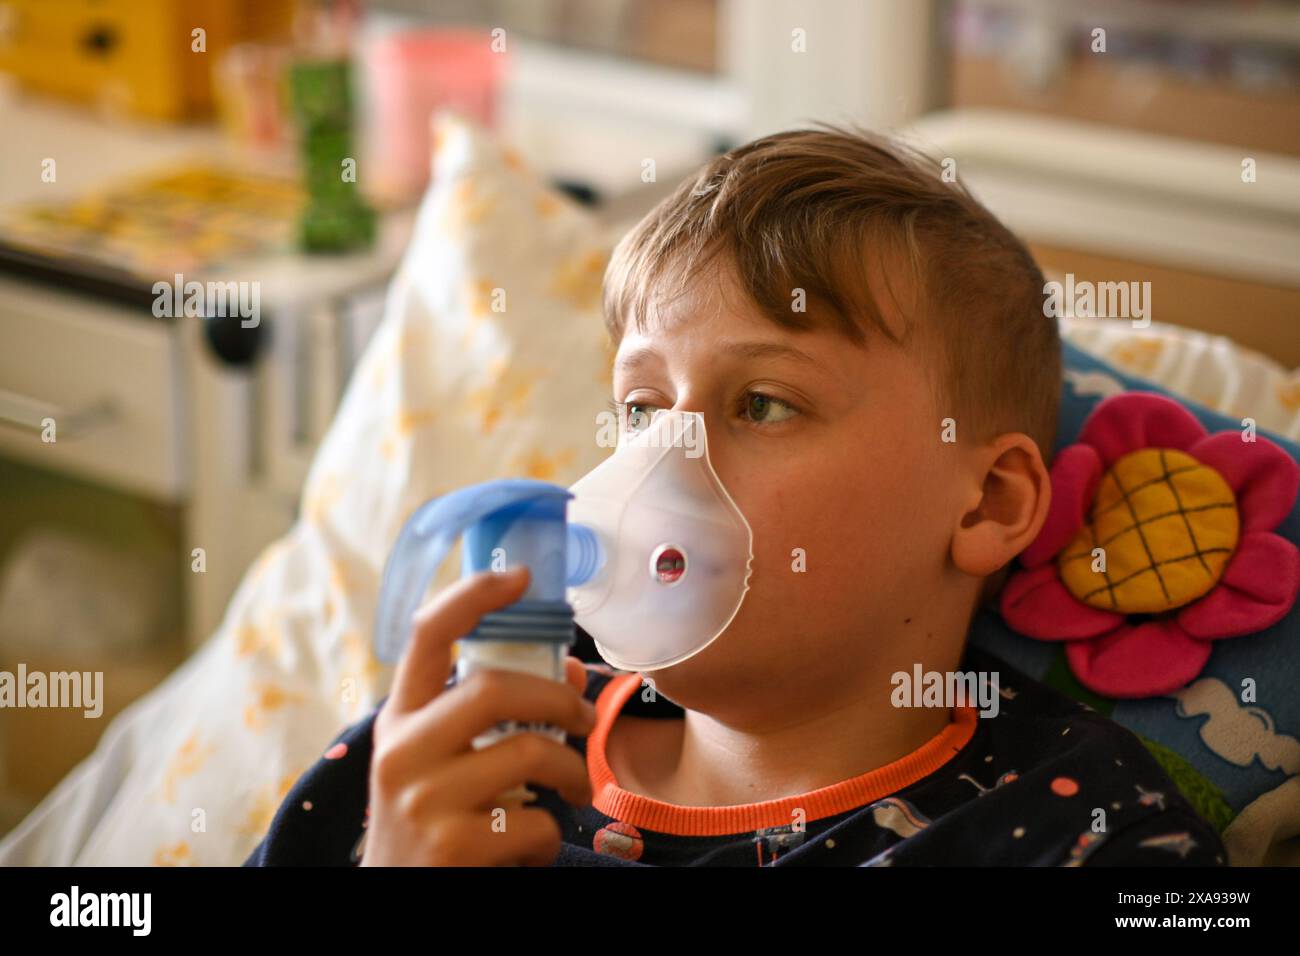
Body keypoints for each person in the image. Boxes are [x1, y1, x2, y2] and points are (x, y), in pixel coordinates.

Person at [245, 126, 1227, 867]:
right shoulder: (465, 739)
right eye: (640, 406)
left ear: (983, 503)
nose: (660, 464)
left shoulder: (1074, 829)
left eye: (763, 401)